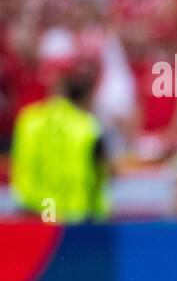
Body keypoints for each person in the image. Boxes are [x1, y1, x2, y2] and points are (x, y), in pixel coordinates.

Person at [10, 62, 111, 223]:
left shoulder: (28, 119)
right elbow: (102, 171)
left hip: (32, 212)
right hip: (74, 218)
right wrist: (102, 214)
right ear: (88, 96)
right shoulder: (88, 126)